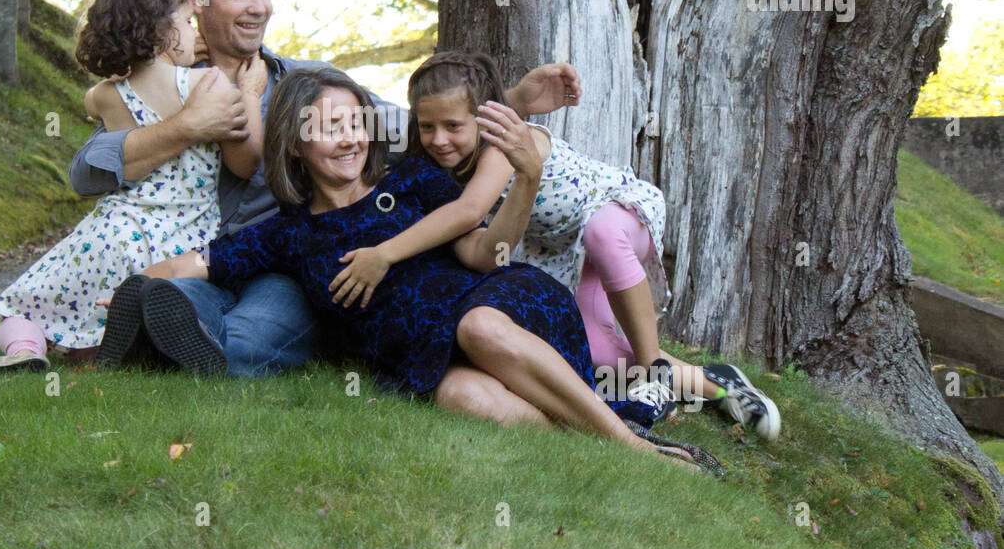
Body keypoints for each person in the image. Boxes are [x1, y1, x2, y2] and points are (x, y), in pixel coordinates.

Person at [100, 67, 720, 472]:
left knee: (477, 326)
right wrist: (134, 288)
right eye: (328, 128)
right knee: (460, 397)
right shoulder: (290, 232)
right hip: (429, 359)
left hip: (499, 304)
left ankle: (635, 451)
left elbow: (485, 252)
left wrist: (525, 182)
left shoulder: (413, 181)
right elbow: (201, 262)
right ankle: (596, 436)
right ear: (294, 144)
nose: (348, 139)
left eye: (355, 123)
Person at [68, 0, 589, 379]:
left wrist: (511, 101)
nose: (260, 8)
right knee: (184, 295)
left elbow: (412, 128)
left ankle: (177, 351)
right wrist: (187, 125)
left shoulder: (305, 84)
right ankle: (158, 326)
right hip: (199, 252)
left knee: (260, 329)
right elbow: (87, 173)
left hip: (285, 258)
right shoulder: (161, 85)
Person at [326, 51, 782, 439]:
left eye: (452, 125)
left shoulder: (503, 147)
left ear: (484, 120)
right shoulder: (447, 158)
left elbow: (467, 213)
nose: (439, 139)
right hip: (561, 250)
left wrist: (385, 254)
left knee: (603, 232)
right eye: (427, 127)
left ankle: (652, 368)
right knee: (597, 355)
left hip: (614, 212)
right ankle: (718, 386)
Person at [0, 0, 264, 375]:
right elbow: (247, 161)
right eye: (187, 22)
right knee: (137, 309)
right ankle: (113, 352)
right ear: (162, 31)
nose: (195, 33)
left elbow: (123, 97)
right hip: (177, 239)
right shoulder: (207, 86)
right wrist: (249, 91)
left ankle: (25, 349)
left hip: (110, 230)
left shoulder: (102, 96)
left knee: (28, 302)